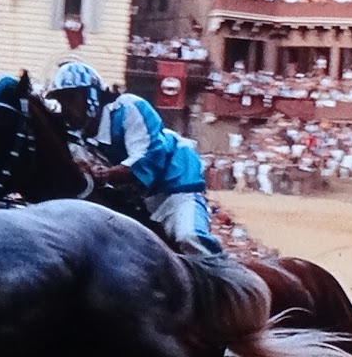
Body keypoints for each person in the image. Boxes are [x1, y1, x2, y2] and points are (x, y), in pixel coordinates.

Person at [44, 60, 221, 257]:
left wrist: (106, 175)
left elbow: (148, 157)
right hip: (138, 201)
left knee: (190, 238)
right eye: (60, 101)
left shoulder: (128, 108)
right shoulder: (77, 137)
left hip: (174, 192)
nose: (65, 108)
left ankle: (225, 279)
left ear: (91, 96)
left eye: (70, 99)